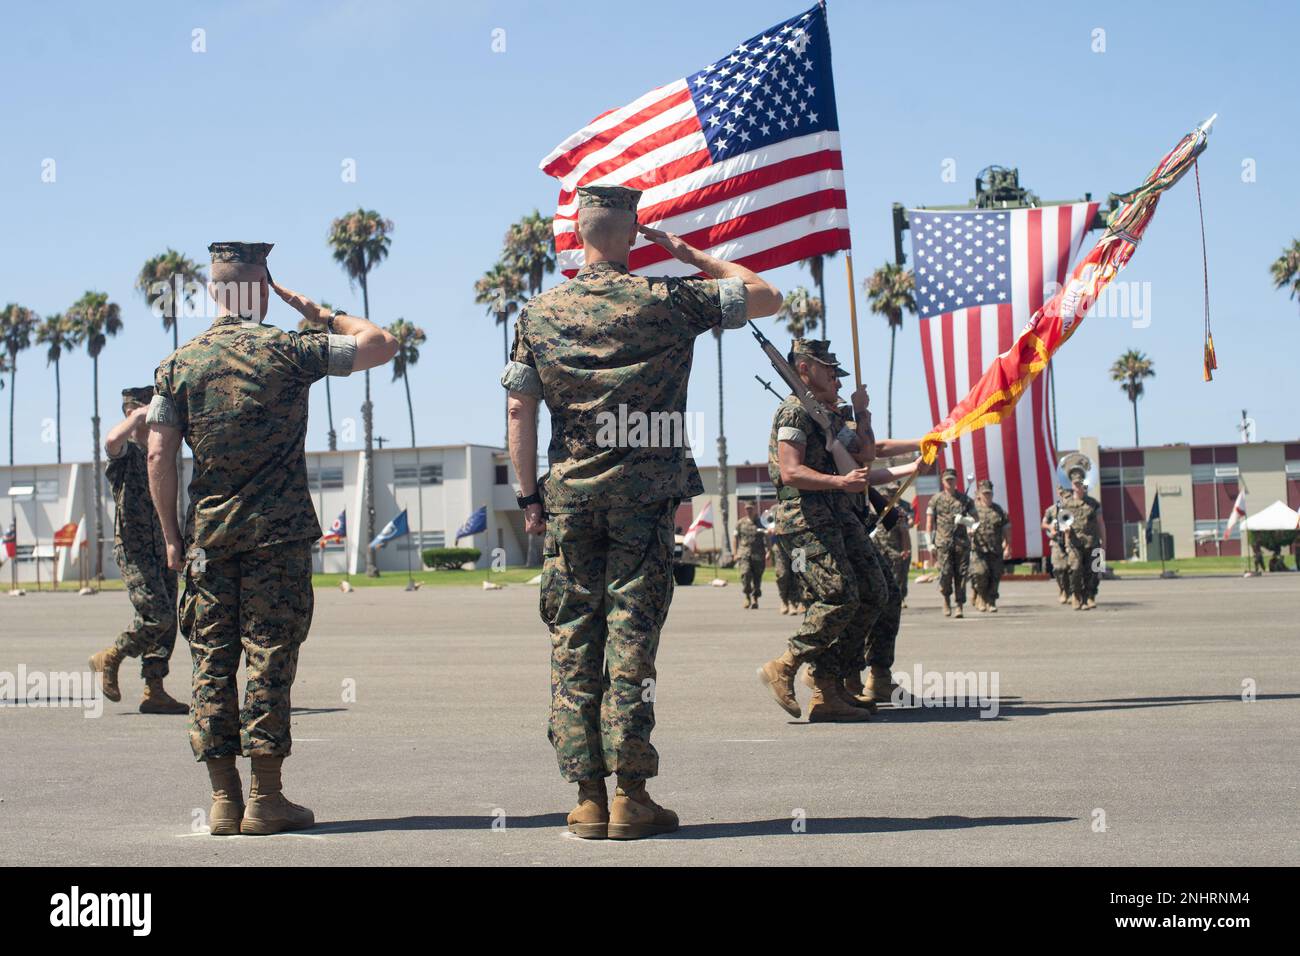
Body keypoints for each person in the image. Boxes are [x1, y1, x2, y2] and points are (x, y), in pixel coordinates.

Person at [502, 185, 781, 840]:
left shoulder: (538, 315)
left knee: (575, 639)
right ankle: (632, 796)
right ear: (630, 234)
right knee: (631, 639)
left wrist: (526, 496)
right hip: (644, 496)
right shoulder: (671, 302)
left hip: (570, 500)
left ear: (576, 236)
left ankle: (587, 799)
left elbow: (519, 408)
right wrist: (691, 254)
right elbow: (765, 294)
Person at [146, 241, 397, 836]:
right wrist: (316, 310)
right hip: (276, 538)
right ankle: (268, 796)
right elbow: (382, 343)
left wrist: (172, 537)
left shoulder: (179, 364)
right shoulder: (289, 349)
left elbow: (158, 451)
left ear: (212, 290)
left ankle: (223, 801)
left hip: (209, 539)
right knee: (268, 660)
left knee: (211, 662)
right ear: (262, 289)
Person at [755, 340, 878, 724]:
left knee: (874, 591)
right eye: (828, 370)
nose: (836, 379)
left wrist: (862, 414)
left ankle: (829, 686)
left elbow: (864, 453)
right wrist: (838, 482)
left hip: (836, 513)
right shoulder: (794, 413)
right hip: (806, 515)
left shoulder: (826, 415)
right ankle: (787, 664)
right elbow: (790, 471)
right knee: (839, 594)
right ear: (804, 370)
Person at [87, 386, 187, 715]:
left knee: (167, 620)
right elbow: (110, 442)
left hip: (164, 546)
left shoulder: (161, 452)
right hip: (134, 548)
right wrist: (135, 418)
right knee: (155, 615)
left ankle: (154, 689)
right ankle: (111, 657)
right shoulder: (126, 454)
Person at [925, 467, 976, 618]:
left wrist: (965, 520)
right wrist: (929, 542)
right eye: (947, 480)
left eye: (952, 480)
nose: (950, 482)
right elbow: (929, 522)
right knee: (945, 574)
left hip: (961, 543)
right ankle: (946, 599)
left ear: (956, 481)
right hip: (943, 543)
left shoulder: (965, 499)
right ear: (943, 481)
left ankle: (959, 605)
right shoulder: (936, 499)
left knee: (961, 574)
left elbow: (976, 521)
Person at [1058, 466, 1105, 609]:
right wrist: (1065, 531)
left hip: (1092, 542)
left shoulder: (1093, 503)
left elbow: (1101, 524)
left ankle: (1090, 597)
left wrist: (1104, 544)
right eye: (1076, 484)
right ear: (1072, 485)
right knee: (1076, 569)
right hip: (1074, 543)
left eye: (1081, 484)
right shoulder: (1066, 504)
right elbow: (1062, 523)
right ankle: (1076, 596)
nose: (1078, 486)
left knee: (1094, 570)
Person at [969, 478, 1011, 612]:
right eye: (984, 493)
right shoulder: (973, 510)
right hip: (978, 549)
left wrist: (1008, 545)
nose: (987, 496)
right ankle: (981, 597)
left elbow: (1006, 528)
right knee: (980, 573)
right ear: (979, 494)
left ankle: (991, 601)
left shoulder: (998, 510)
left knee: (995, 575)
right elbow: (965, 525)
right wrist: (968, 532)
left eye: (989, 493)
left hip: (995, 549)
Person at [732, 502, 767, 609]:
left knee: (757, 578)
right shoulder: (740, 523)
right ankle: (747, 596)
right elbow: (735, 537)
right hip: (744, 553)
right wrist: (735, 553)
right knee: (745, 574)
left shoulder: (761, 522)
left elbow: (767, 537)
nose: (749, 510)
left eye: (751, 508)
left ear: (754, 508)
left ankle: (755, 598)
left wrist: (769, 550)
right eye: (747, 508)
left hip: (758, 554)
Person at [1042, 489, 1073, 604]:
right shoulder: (1052, 510)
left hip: (1072, 543)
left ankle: (1071, 592)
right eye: (1061, 494)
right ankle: (1062, 589)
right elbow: (1043, 523)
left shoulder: (1074, 508)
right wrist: (1050, 527)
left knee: (1072, 568)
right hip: (1056, 543)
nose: (1064, 497)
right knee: (1058, 569)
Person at [769, 522, 804, 615]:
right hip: (781, 546)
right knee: (783, 574)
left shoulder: (800, 507)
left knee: (799, 574)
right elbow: (769, 524)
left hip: (797, 545)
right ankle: (784, 600)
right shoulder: (775, 510)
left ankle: (798, 602)